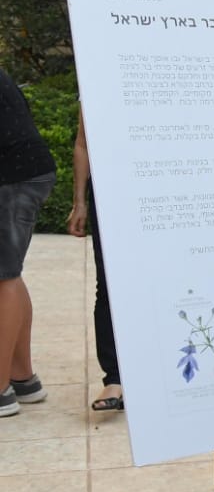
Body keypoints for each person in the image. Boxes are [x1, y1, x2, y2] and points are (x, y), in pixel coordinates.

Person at [0, 67, 55, 419]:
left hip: (14, 177)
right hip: (25, 173)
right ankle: (23, 378)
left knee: (3, 277)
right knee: (10, 274)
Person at [66, 118, 121, 411]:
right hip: (109, 194)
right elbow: (83, 143)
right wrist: (80, 202)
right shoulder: (94, 73)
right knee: (109, 283)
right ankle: (114, 377)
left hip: (162, 186)